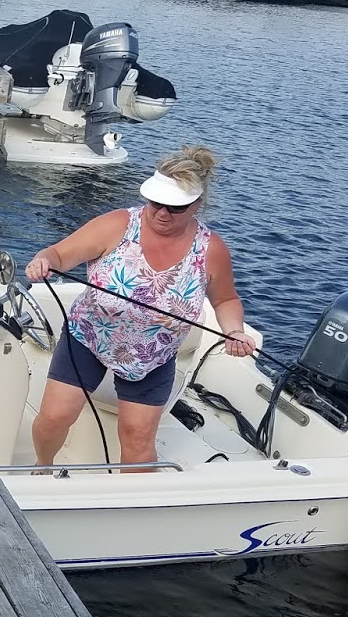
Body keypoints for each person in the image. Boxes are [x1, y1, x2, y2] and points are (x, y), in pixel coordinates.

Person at [25, 146, 256, 470]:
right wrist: (43, 261)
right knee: (55, 416)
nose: (162, 213)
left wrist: (234, 330)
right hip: (90, 337)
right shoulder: (117, 225)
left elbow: (225, 299)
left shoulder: (211, 249)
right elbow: (58, 255)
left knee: (136, 436)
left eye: (175, 207)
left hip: (153, 354)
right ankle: (42, 464)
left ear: (196, 205)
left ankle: (133, 500)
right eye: (156, 202)